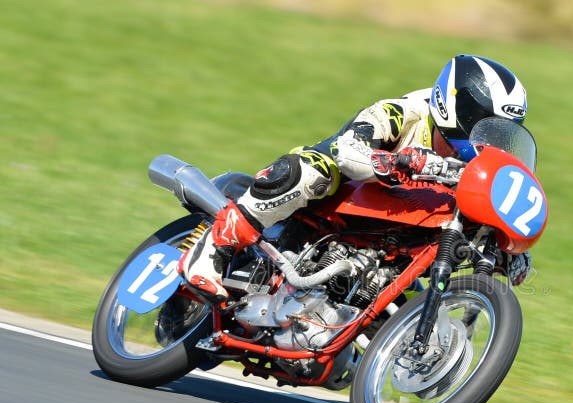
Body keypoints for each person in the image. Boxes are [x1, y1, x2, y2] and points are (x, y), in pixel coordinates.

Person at [179, 54, 533, 301]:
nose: (486, 137)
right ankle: (212, 252)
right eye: (481, 121)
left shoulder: (476, 164)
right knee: (313, 172)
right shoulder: (404, 112)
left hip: (388, 234)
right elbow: (348, 148)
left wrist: (503, 243)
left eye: (500, 131)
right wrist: (394, 162)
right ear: (454, 103)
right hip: (341, 202)